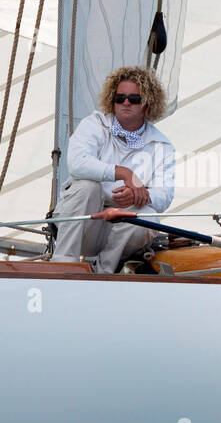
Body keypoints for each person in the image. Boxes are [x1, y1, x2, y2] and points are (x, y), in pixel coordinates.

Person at [51, 66, 175, 272]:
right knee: (86, 187)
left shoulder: (161, 145)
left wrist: (139, 194)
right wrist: (125, 174)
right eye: (120, 98)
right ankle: (63, 264)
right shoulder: (94, 125)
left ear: (147, 104)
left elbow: (165, 195)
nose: (126, 102)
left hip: (119, 233)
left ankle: (104, 272)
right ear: (112, 100)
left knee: (149, 216)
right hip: (81, 225)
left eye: (134, 99)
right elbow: (77, 163)